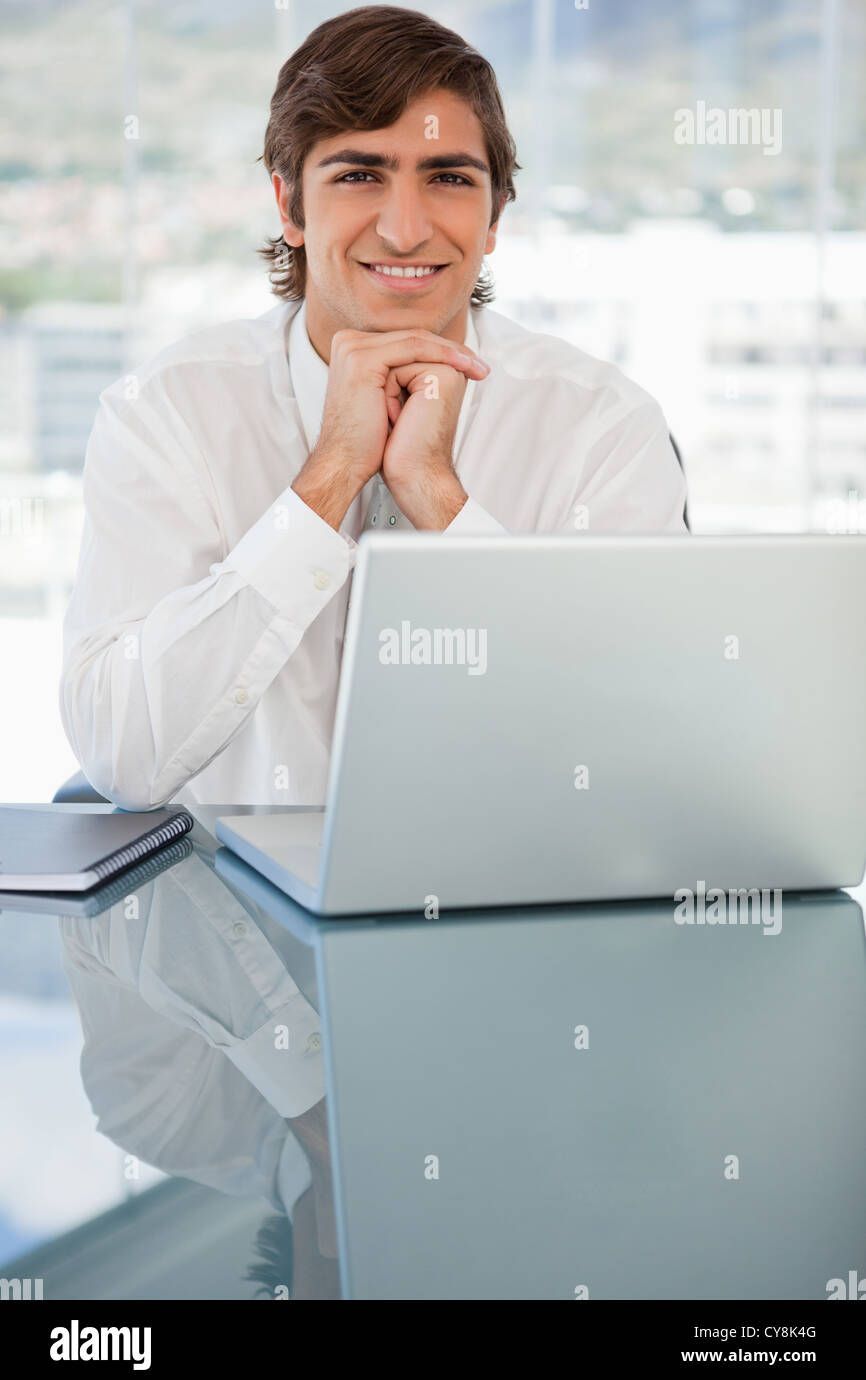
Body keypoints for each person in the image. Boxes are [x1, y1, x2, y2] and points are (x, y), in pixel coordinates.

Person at [60, 5, 688, 811]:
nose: (404, 229)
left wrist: (437, 496)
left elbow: (647, 754)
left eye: (450, 178)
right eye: (359, 175)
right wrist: (326, 484)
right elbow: (122, 758)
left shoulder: (602, 427)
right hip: (228, 925)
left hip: (516, 917)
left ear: (495, 216)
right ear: (289, 206)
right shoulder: (165, 415)